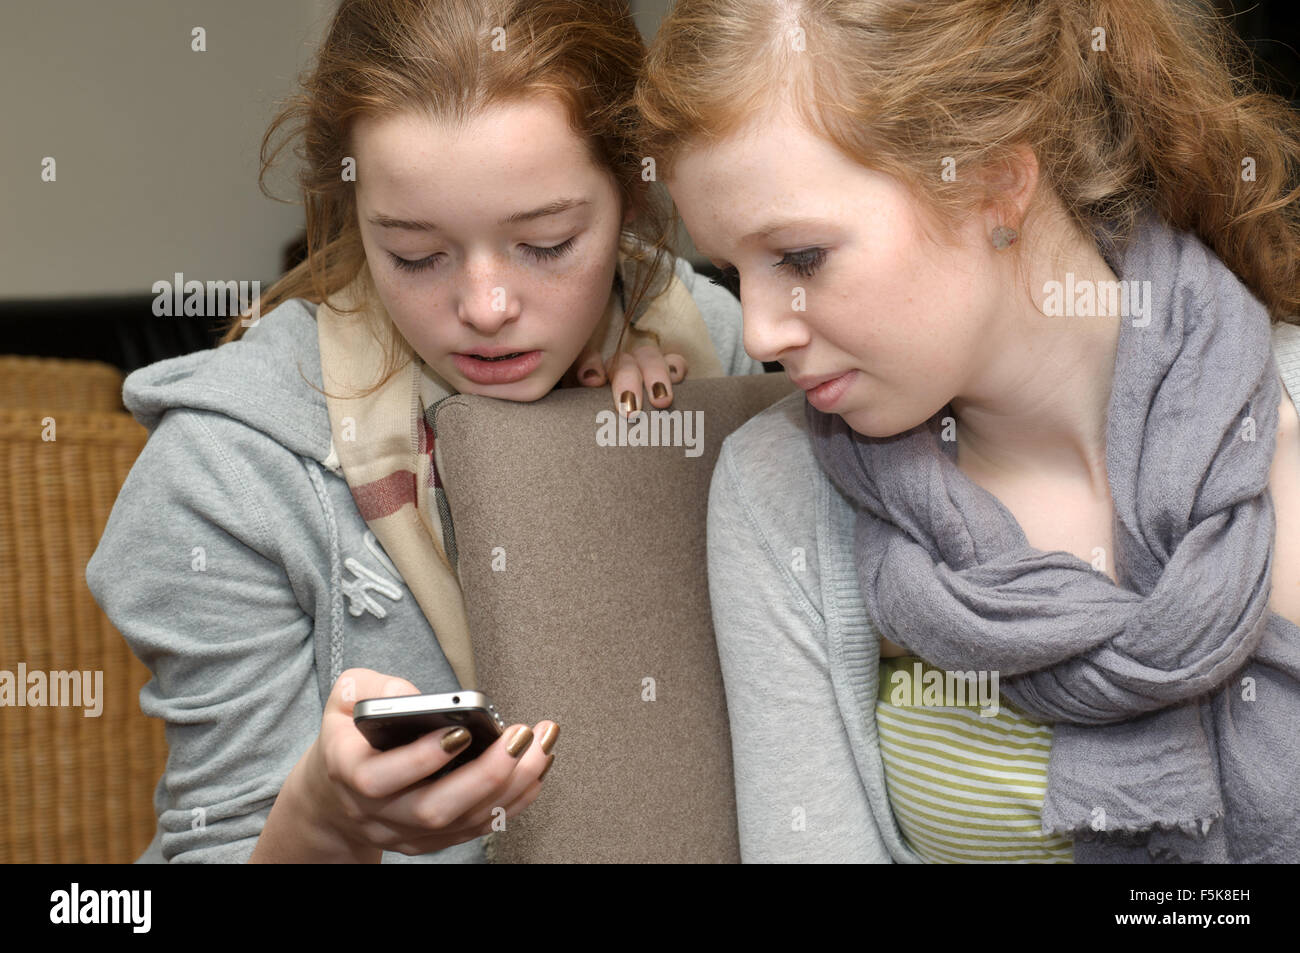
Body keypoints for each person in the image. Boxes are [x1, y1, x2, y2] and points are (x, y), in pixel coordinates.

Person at [86, 0, 761, 865]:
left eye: (549, 243)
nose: (486, 308)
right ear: (350, 205)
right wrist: (321, 826)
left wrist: (668, 444)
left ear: (633, 190)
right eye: (414, 254)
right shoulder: (227, 473)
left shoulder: (726, 348)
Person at [636, 0, 1300, 862]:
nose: (761, 333)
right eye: (732, 270)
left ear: (995, 184)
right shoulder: (778, 492)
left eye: (800, 258)